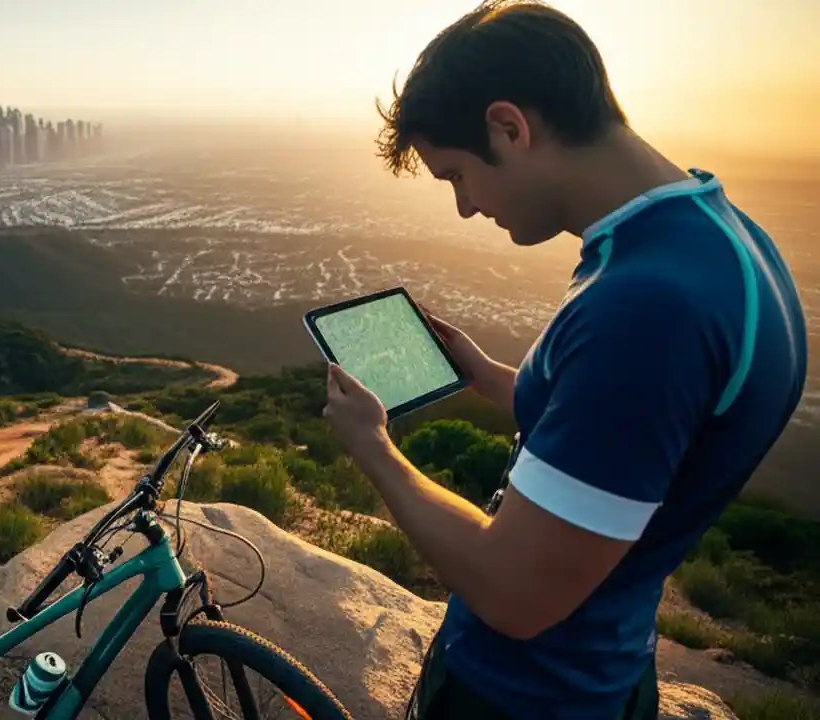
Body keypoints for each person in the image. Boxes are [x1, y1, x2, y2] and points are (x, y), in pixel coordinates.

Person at [322, 2, 809, 718]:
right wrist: (486, 376)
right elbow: (629, 441)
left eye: (455, 175)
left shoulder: (646, 309)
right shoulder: (723, 240)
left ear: (510, 128)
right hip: (607, 672)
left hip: (525, 694)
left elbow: (513, 594)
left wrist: (374, 447)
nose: (463, 207)